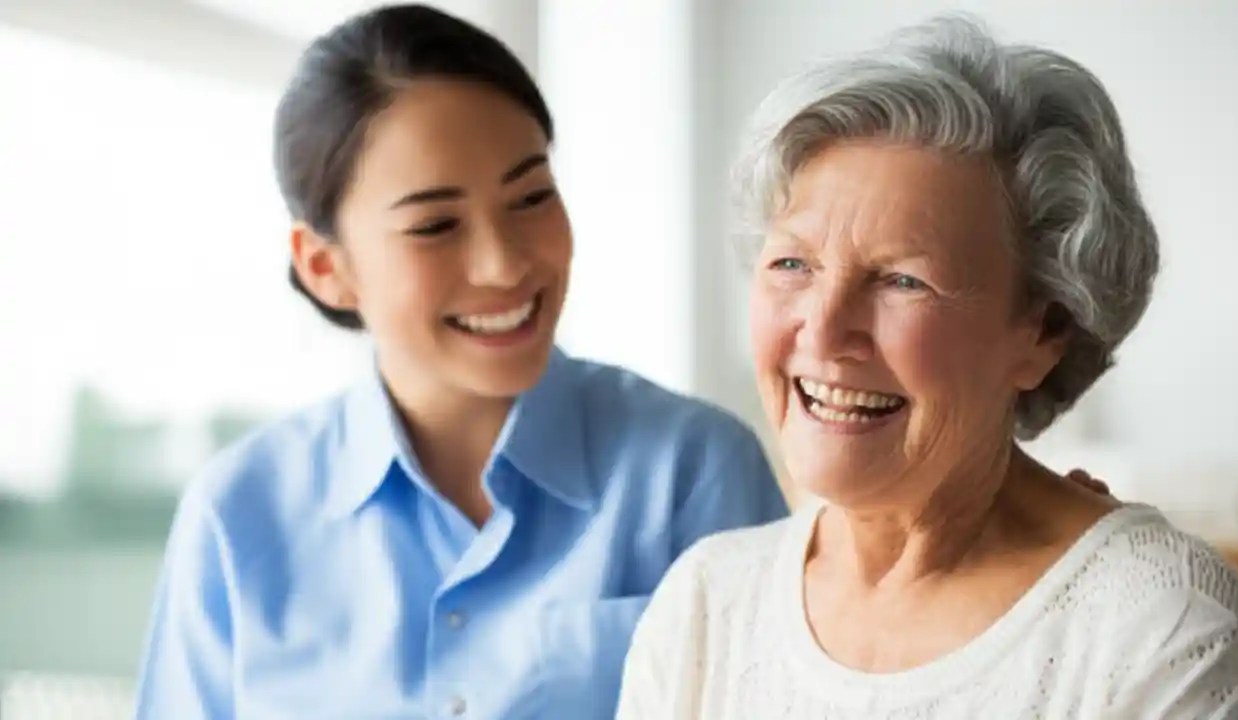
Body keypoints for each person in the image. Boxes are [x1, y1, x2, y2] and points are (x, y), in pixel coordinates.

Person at [132, 5, 788, 718]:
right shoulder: (237, 516)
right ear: (326, 267)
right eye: (435, 225)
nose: (505, 264)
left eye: (532, 196)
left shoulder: (691, 471)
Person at [618, 16, 1238, 719]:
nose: (827, 328)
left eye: (901, 280)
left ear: (1044, 329)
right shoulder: (705, 605)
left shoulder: (1156, 631)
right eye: (792, 264)